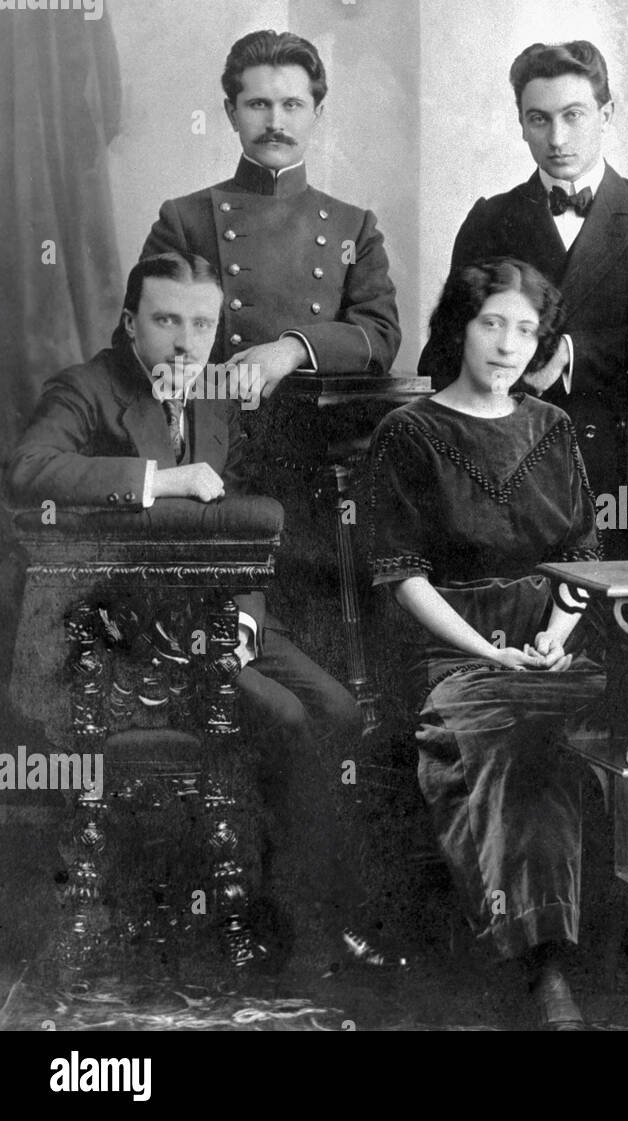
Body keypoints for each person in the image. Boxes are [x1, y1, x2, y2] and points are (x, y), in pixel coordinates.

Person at [5, 252, 383, 972]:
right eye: (166, 320)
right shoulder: (87, 387)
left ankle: (308, 907)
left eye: (201, 323)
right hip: (123, 636)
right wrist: (162, 478)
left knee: (338, 710)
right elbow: (28, 471)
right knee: (287, 719)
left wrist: (243, 619)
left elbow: (245, 517)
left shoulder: (217, 394)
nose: (185, 341)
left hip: (224, 616)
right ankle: (275, 914)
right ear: (130, 323)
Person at [368, 257, 605, 1029]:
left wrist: (550, 638)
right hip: (451, 653)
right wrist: (492, 652)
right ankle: (543, 967)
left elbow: (582, 556)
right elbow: (403, 575)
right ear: (459, 328)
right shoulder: (409, 433)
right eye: (492, 323)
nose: (508, 344)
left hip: (550, 642)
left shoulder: (553, 427)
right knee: (515, 740)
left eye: (527, 329)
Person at [416, 39, 628, 551]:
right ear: (521, 122)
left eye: (574, 115)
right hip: (503, 459)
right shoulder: (490, 220)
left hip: (613, 465)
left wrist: (566, 354)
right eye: (539, 119)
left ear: (607, 114)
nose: (558, 137)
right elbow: (441, 353)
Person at [142, 29, 400, 391]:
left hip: (321, 433)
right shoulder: (184, 220)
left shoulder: (353, 229)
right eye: (258, 104)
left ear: (317, 115)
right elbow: (143, 337)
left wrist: (293, 349)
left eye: (292, 105)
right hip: (214, 425)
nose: (275, 123)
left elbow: (379, 333)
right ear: (232, 113)